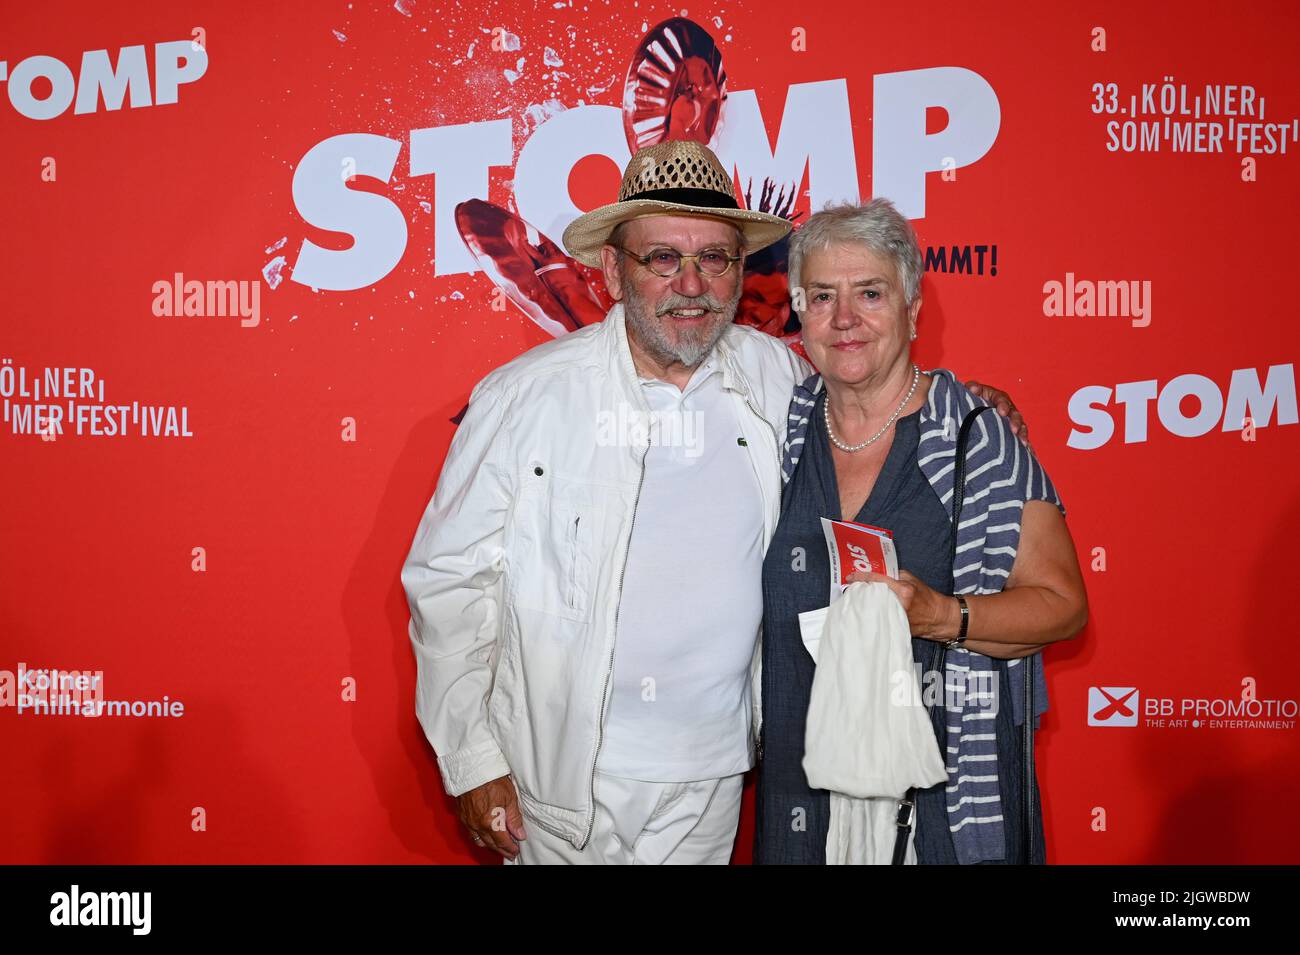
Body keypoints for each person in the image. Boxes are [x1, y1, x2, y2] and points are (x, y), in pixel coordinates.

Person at [401, 140, 1026, 865]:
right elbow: (449, 581)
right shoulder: (525, 397)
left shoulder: (778, 380)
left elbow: (872, 392)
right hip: (554, 784)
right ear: (613, 270)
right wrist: (472, 757)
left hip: (712, 777)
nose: (690, 282)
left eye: (715, 258)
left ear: (739, 271)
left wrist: (964, 403)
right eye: (663, 257)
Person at [754, 198, 1089, 865]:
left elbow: (1063, 603)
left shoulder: (973, 438)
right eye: (823, 296)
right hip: (804, 790)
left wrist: (938, 615)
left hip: (941, 798)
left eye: (870, 293)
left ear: (912, 312)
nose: (844, 318)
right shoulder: (781, 424)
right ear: (800, 315)